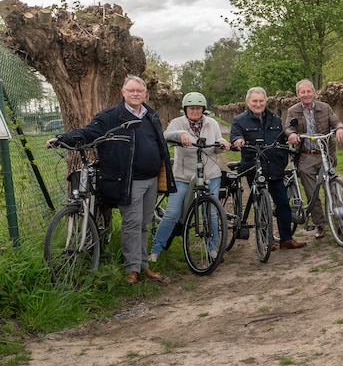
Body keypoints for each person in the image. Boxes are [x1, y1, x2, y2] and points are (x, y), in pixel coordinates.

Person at [50, 75, 176, 284]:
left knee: (144, 224)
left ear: (145, 93)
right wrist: (62, 139)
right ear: (123, 92)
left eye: (139, 91)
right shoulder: (111, 116)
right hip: (128, 180)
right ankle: (131, 269)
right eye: (131, 90)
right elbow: (88, 133)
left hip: (151, 179)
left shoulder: (150, 115)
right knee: (132, 223)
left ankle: (143, 265)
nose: (135, 94)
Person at [149, 92, 230, 266]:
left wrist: (222, 143)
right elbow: (166, 135)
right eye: (191, 108)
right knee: (172, 213)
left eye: (198, 108)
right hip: (184, 176)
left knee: (211, 213)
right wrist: (180, 135)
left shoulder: (212, 123)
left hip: (210, 174)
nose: (195, 111)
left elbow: (217, 141)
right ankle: (156, 249)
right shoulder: (177, 123)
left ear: (203, 109)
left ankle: (212, 248)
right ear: (185, 109)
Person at [231, 87, 304, 250]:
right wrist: (238, 141)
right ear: (248, 102)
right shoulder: (239, 120)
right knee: (261, 204)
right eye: (254, 101)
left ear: (266, 101)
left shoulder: (275, 119)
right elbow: (235, 136)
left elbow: (282, 141)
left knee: (283, 203)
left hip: (274, 168)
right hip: (254, 168)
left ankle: (286, 239)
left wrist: (284, 153)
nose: (258, 104)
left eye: (261, 101)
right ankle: (266, 239)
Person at [283, 79, 343, 239]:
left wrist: (340, 128)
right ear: (298, 94)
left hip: (325, 154)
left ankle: (341, 224)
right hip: (305, 156)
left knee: (333, 189)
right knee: (312, 194)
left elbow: (336, 121)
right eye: (302, 92)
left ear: (314, 92)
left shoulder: (324, 107)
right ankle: (320, 225)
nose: (306, 95)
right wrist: (291, 134)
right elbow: (287, 127)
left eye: (308, 91)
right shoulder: (293, 110)